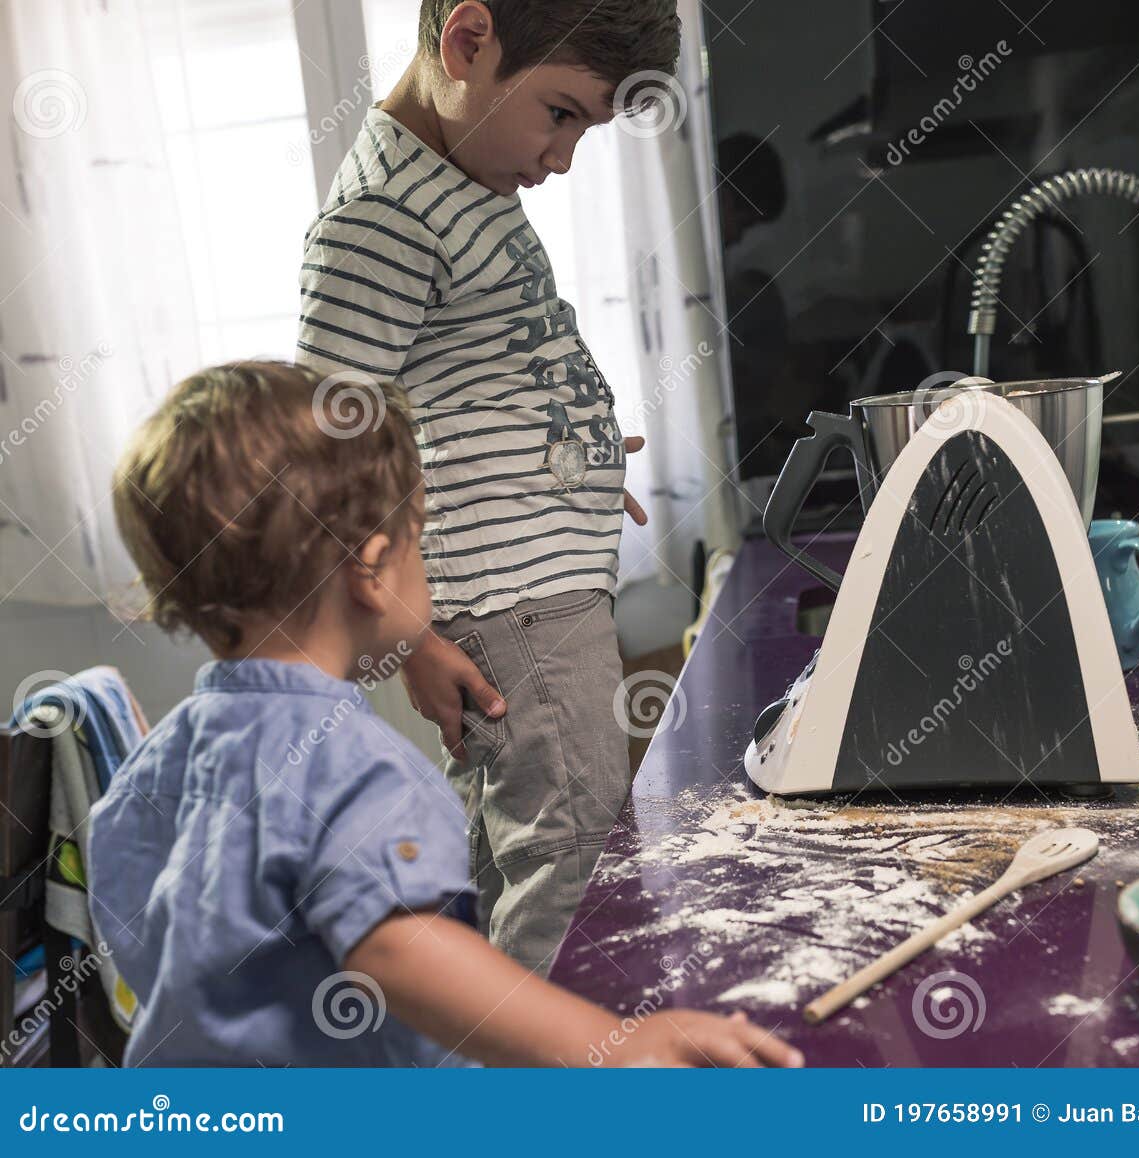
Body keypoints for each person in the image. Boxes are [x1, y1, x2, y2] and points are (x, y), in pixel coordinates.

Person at [88, 361, 801, 1068]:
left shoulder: (148, 769)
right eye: (418, 542)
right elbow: (399, 949)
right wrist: (609, 1048)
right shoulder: (352, 769)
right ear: (371, 571)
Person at [297, 0, 677, 972]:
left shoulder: (457, 178)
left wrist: (573, 454)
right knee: (573, 860)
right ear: (468, 42)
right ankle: (548, 1103)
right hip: (511, 608)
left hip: (532, 590)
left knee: (514, 867)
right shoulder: (383, 215)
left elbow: (466, 380)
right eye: (561, 113)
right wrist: (410, 639)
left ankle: (476, 1093)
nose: (562, 158)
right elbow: (333, 451)